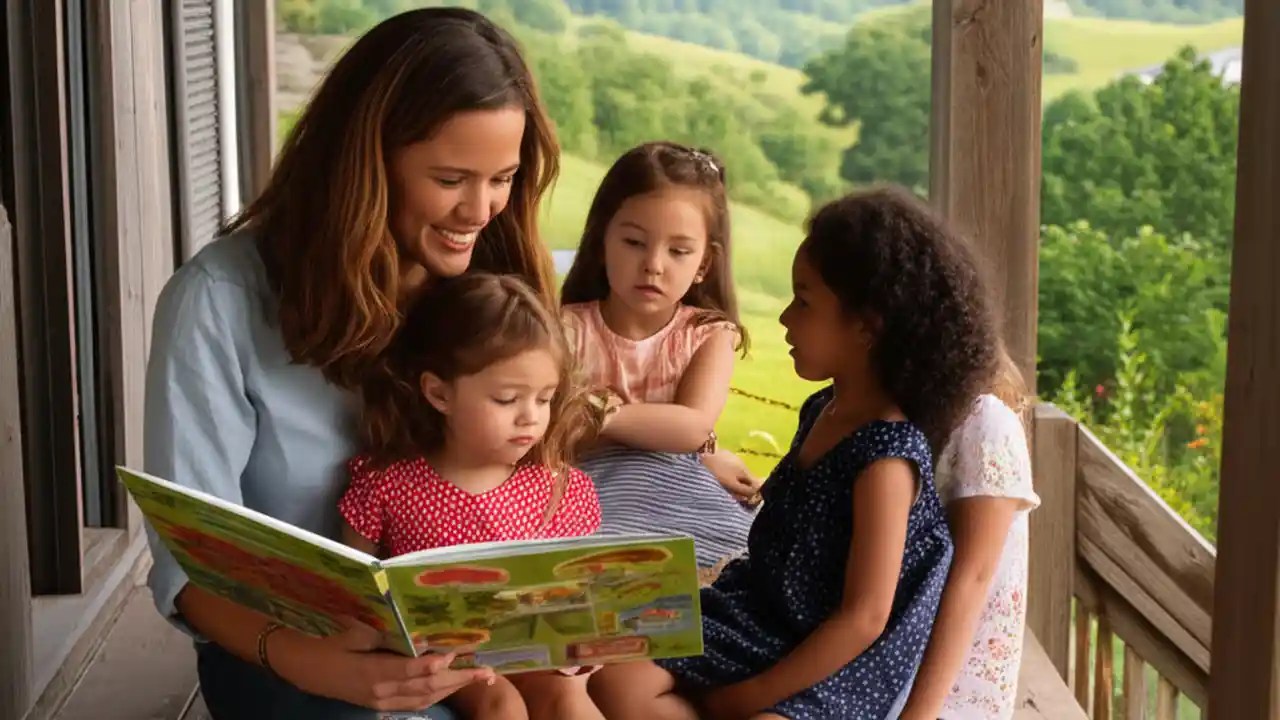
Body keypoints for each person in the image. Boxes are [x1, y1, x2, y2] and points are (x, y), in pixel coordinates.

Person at [142, 8, 562, 718]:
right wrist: (312, 662)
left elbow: (537, 465)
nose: (482, 209)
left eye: (504, 178)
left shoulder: (495, 283)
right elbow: (188, 568)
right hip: (284, 649)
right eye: (453, 178)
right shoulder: (218, 301)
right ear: (364, 163)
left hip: (474, 642)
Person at [588, 186, 1001, 720]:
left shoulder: (885, 460)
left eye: (803, 302)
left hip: (831, 659)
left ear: (866, 327)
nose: (784, 318)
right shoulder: (821, 409)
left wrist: (749, 696)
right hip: (762, 613)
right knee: (617, 682)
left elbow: (863, 619)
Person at [339, 273, 603, 720]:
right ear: (439, 393)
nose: (530, 418)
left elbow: (587, 594)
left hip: (532, 651)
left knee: (569, 701)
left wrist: (587, 637)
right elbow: (352, 592)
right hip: (444, 659)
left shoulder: (560, 488)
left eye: (544, 399)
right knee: (499, 704)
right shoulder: (388, 483)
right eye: (506, 399)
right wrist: (381, 634)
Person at [560, 141, 758, 569]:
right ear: (600, 242)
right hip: (589, 495)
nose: (653, 264)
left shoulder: (707, 335)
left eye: (679, 251)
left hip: (674, 495)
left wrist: (597, 414)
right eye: (633, 242)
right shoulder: (562, 331)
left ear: (705, 263)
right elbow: (550, 435)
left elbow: (690, 425)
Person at [891, 348, 1041, 720]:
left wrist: (919, 714)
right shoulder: (904, 411)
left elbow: (974, 576)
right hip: (894, 674)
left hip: (950, 701)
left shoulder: (984, 421)